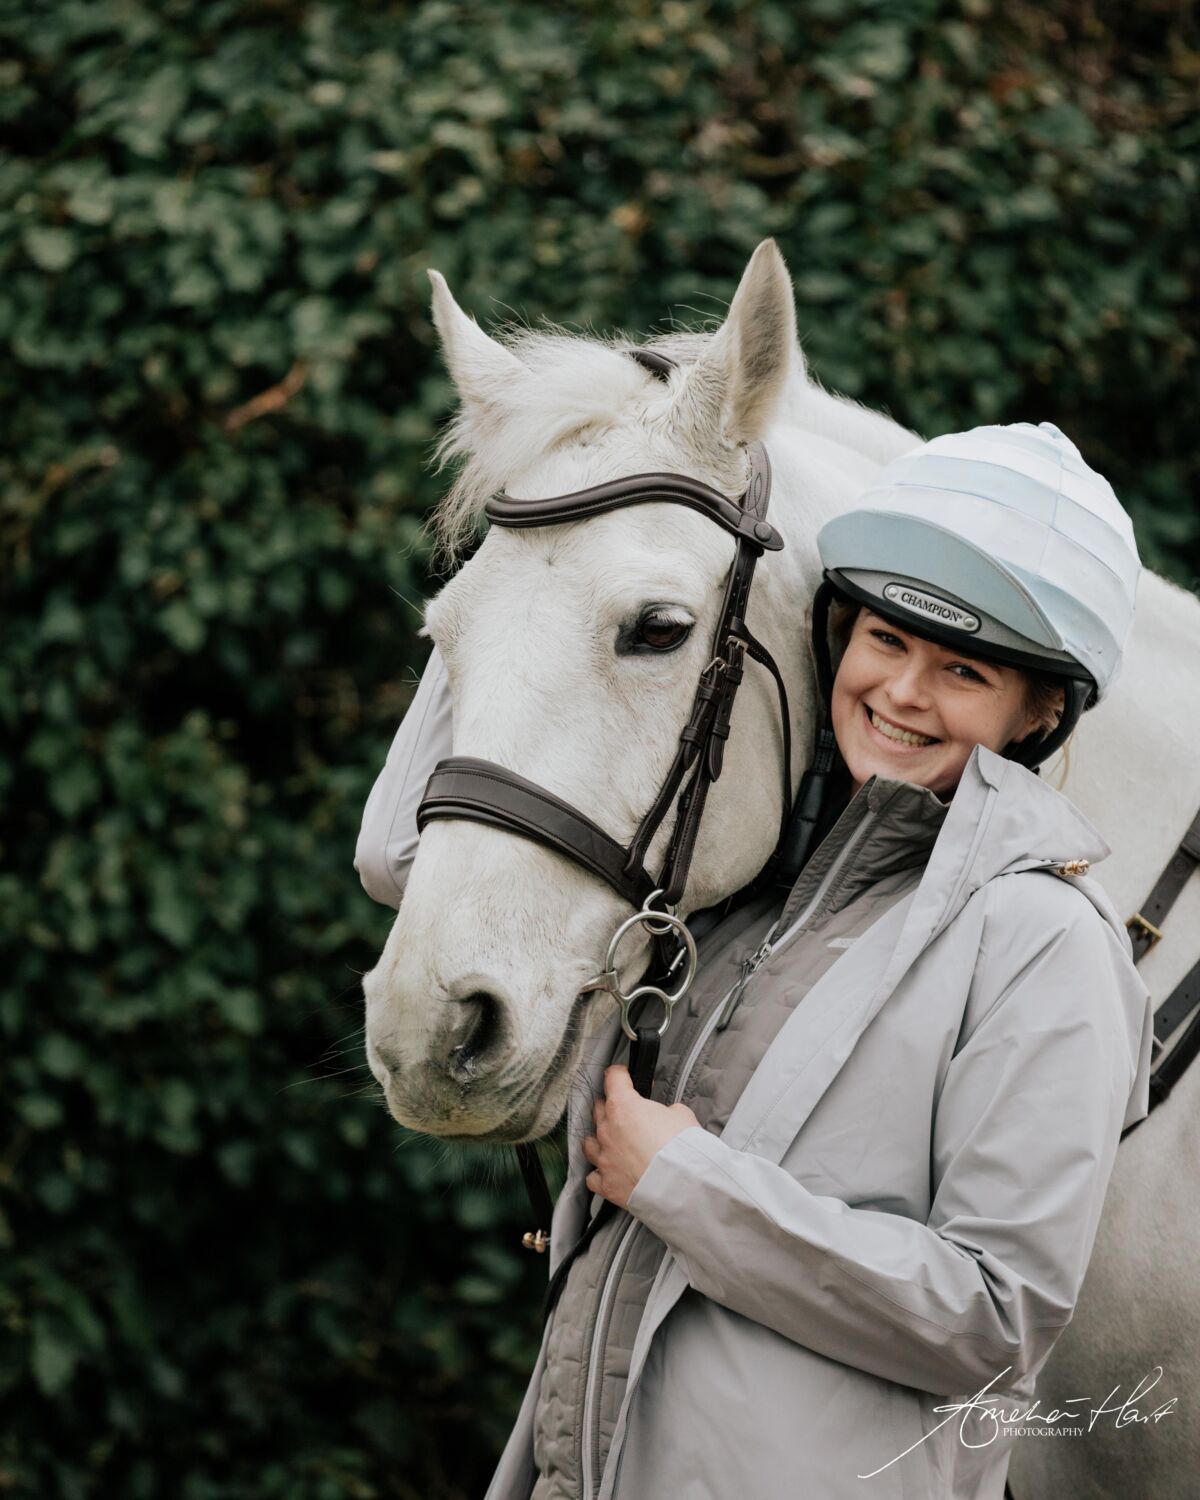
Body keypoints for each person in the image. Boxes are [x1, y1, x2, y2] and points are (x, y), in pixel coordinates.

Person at [356, 421, 1154, 1500]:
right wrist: (509, 584)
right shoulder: (742, 892)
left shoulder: (1048, 945)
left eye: (963, 669)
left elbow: (996, 1319)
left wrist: (686, 1185)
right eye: (886, 639)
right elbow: (396, 852)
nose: (903, 691)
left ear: (1040, 712)